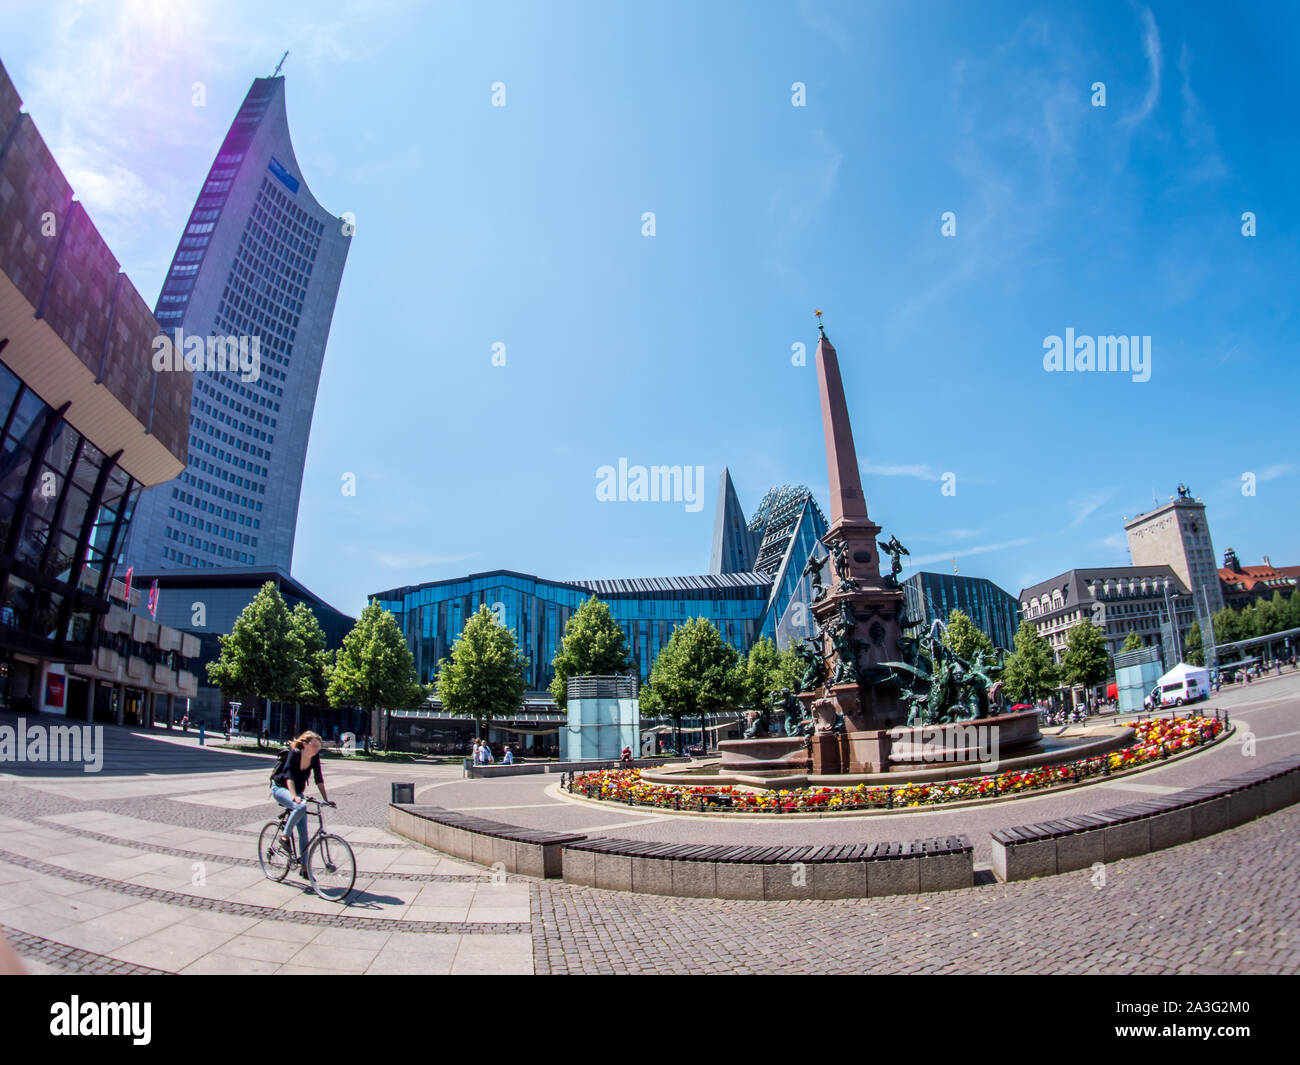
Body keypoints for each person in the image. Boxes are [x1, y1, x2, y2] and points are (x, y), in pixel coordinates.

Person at [270, 731, 332, 880]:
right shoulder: (295, 753)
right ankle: (284, 837)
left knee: (304, 832)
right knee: (300, 807)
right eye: (315, 745)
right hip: (280, 788)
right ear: (305, 744)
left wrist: (326, 799)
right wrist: (293, 796)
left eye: (319, 746)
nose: (317, 748)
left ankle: (304, 869)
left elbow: (319, 778)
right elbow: (289, 775)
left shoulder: (314, 757)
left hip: (297, 792)